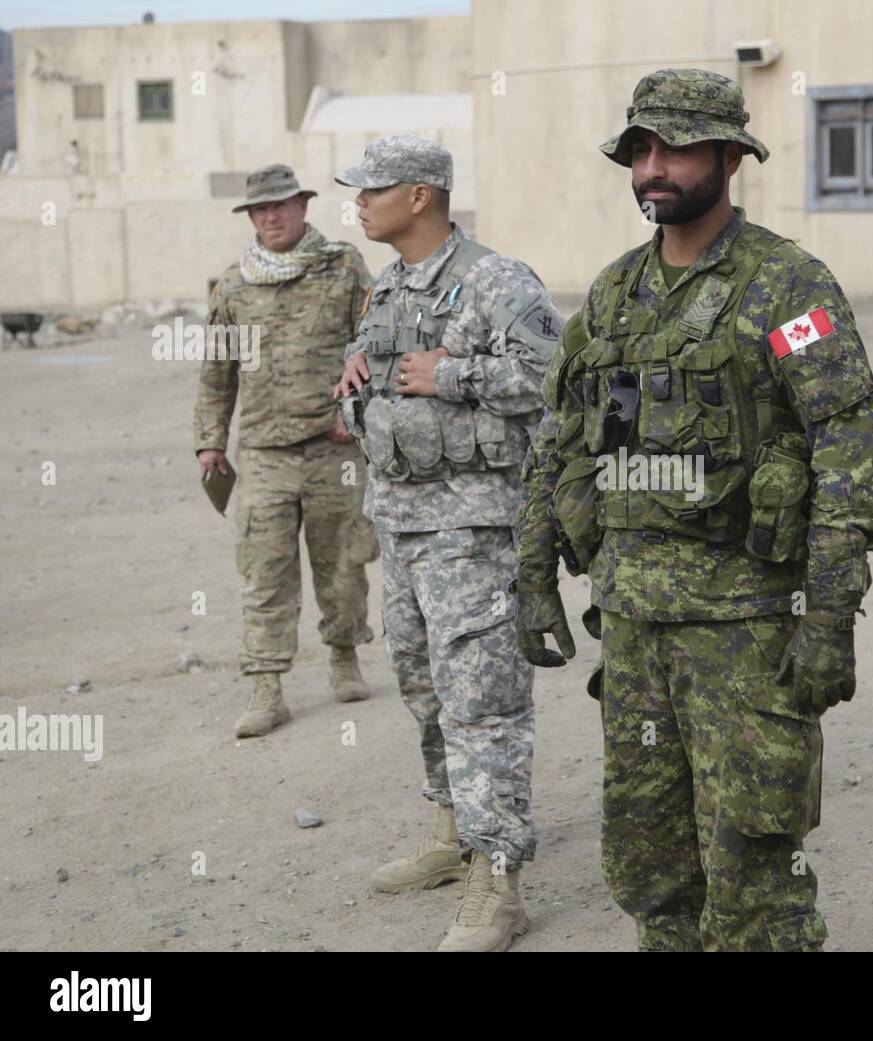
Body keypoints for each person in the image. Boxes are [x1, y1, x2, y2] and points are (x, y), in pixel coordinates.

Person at [514, 69, 873, 951]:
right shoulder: (613, 295)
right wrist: (533, 574)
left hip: (750, 632)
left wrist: (831, 613)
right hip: (636, 627)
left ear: (730, 155)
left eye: (675, 147)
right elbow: (567, 437)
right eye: (640, 150)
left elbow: (847, 442)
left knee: (754, 875)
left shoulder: (787, 289)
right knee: (653, 870)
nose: (654, 168)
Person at [332, 136, 561, 951]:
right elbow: (380, 368)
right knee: (424, 687)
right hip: (399, 524)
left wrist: (454, 375)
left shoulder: (497, 280)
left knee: (482, 703)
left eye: (373, 189)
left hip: (473, 532)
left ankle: (498, 879)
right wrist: (353, 377)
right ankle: (451, 832)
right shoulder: (388, 285)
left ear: (422, 195)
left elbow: (555, 377)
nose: (358, 202)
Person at [195, 163, 378, 739]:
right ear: (250, 217)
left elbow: (374, 345)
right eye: (259, 209)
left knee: (343, 565)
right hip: (265, 456)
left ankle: (344, 655)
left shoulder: (343, 267)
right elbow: (216, 371)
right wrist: (209, 443)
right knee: (264, 573)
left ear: (303, 206)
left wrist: (359, 414)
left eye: (281, 205)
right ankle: (267, 686)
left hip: (333, 450)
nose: (270, 217)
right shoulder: (233, 285)